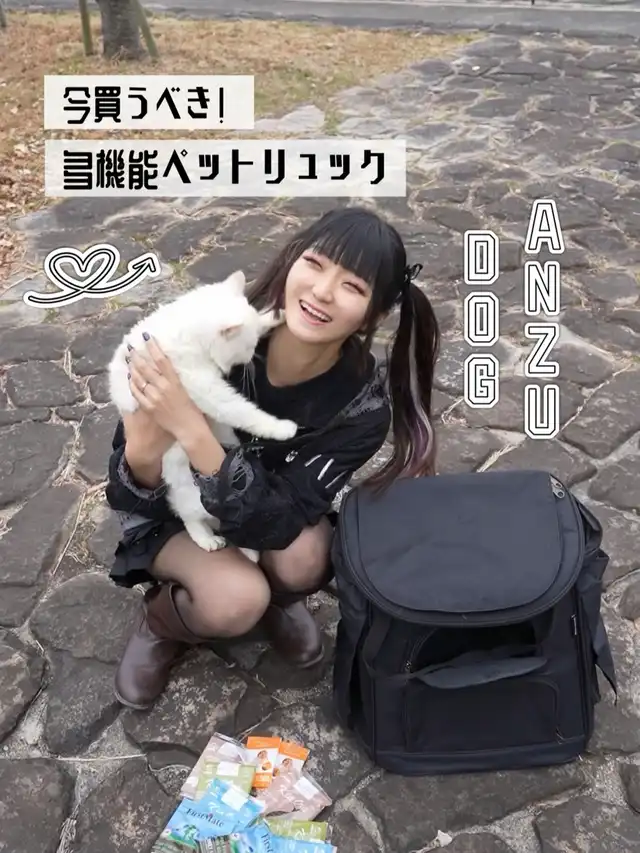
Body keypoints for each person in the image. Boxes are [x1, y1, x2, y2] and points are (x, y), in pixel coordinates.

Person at [104, 206, 440, 710]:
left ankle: (281, 600)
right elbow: (130, 492)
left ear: (374, 315)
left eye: (352, 286)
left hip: (264, 511)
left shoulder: (361, 405)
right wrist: (150, 443)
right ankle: (163, 622)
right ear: (291, 258)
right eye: (315, 263)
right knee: (235, 601)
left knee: (307, 558)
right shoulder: (211, 329)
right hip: (172, 510)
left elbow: (285, 517)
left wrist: (193, 430)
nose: (322, 291)